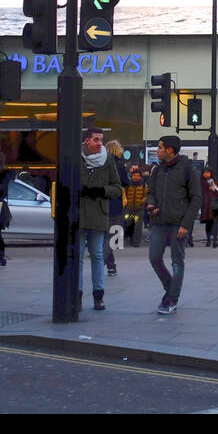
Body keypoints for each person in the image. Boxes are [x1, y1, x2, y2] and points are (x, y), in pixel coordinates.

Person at [145, 135, 202, 315]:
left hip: (178, 224)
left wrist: (186, 224)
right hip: (158, 222)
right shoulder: (157, 170)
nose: (158, 150)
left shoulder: (187, 169)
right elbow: (151, 192)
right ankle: (172, 288)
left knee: (177, 262)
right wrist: (151, 204)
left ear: (170, 150)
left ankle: (171, 299)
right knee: (154, 258)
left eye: (160, 147)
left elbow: (196, 199)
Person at [78, 128, 122, 312]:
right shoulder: (76, 156)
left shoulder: (108, 159)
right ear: (87, 141)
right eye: (96, 139)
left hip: (98, 211)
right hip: (78, 213)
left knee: (97, 254)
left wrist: (101, 191)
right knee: (77, 256)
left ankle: (98, 295)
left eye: (101, 140)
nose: (99, 143)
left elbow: (118, 188)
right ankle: (77, 295)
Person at [104, 140, 131, 276]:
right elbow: (125, 182)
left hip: (103, 204)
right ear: (115, 149)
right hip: (115, 205)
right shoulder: (118, 165)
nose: (122, 149)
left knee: (106, 236)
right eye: (120, 147)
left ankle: (111, 265)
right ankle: (102, 260)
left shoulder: (101, 163)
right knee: (114, 237)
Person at [200, 164, 218, 248]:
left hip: (214, 206)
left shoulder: (214, 181)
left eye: (207, 172)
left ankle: (214, 241)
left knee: (214, 223)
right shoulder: (202, 182)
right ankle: (208, 240)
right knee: (208, 223)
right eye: (205, 172)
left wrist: (215, 189)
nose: (206, 174)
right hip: (206, 206)